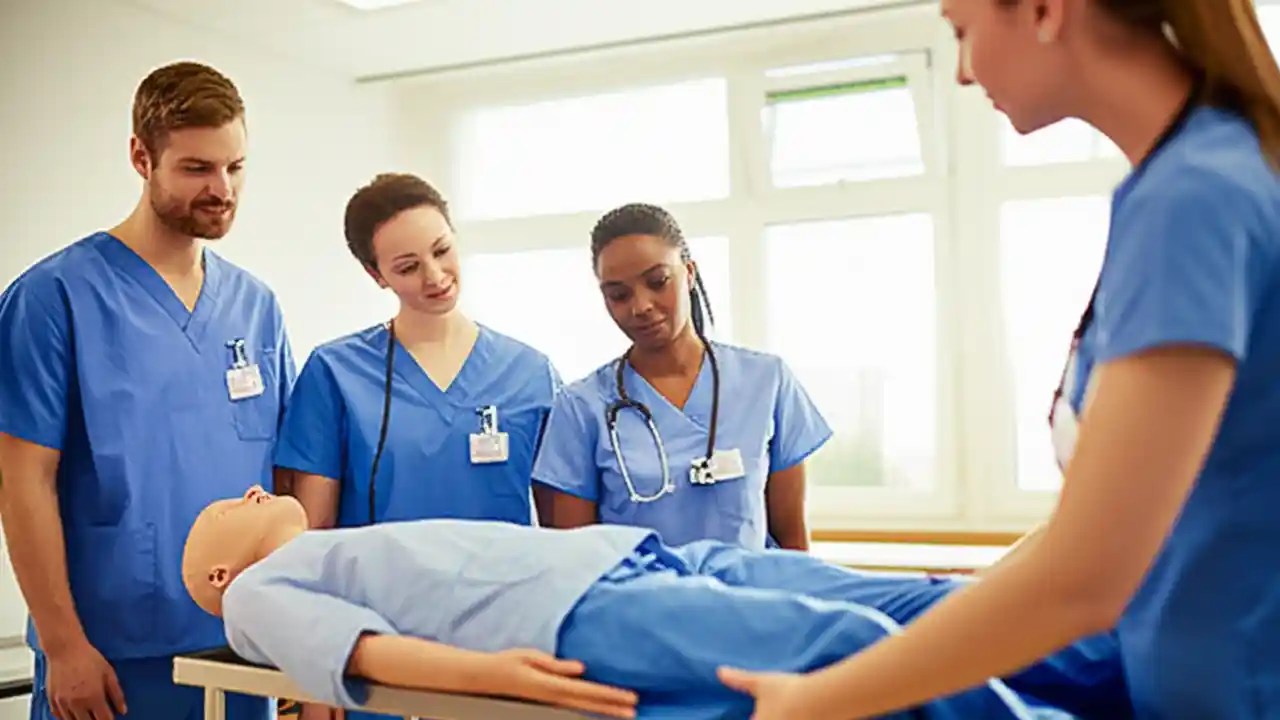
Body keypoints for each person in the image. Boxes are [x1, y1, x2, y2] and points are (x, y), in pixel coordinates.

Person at [716, 1, 1280, 718]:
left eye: (962, 32)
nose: (959, 71)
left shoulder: (1195, 199)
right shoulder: (1198, 176)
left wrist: (817, 703)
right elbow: (1116, 512)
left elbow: (1084, 579)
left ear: (1046, 11)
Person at [182, 486, 1133, 720]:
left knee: (916, 602)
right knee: (846, 644)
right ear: (219, 578)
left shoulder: (335, 539)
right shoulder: (255, 597)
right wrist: (491, 675)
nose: (255, 492)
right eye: (232, 506)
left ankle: (1136, 677)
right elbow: (357, 655)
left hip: (638, 559)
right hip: (571, 617)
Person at [0, 61, 292, 720]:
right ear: (141, 157)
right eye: (197, 169)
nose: (222, 189)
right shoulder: (52, 300)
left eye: (235, 167)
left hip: (241, 645)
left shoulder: (257, 308)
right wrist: (64, 645)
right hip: (109, 656)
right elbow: (22, 483)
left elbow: (282, 486)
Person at [272, 173, 560, 719]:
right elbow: (312, 539)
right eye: (406, 267)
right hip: (376, 648)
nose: (435, 277)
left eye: (442, 250)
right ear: (374, 274)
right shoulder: (335, 372)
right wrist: (314, 672)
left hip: (503, 641)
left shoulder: (531, 375)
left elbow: (562, 537)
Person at [532, 203, 831, 551]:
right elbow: (578, 560)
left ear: (689, 273)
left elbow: (793, 542)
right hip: (644, 604)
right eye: (618, 295)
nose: (640, 306)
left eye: (657, 282)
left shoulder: (767, 382)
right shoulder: (582, 407)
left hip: (751, 600)